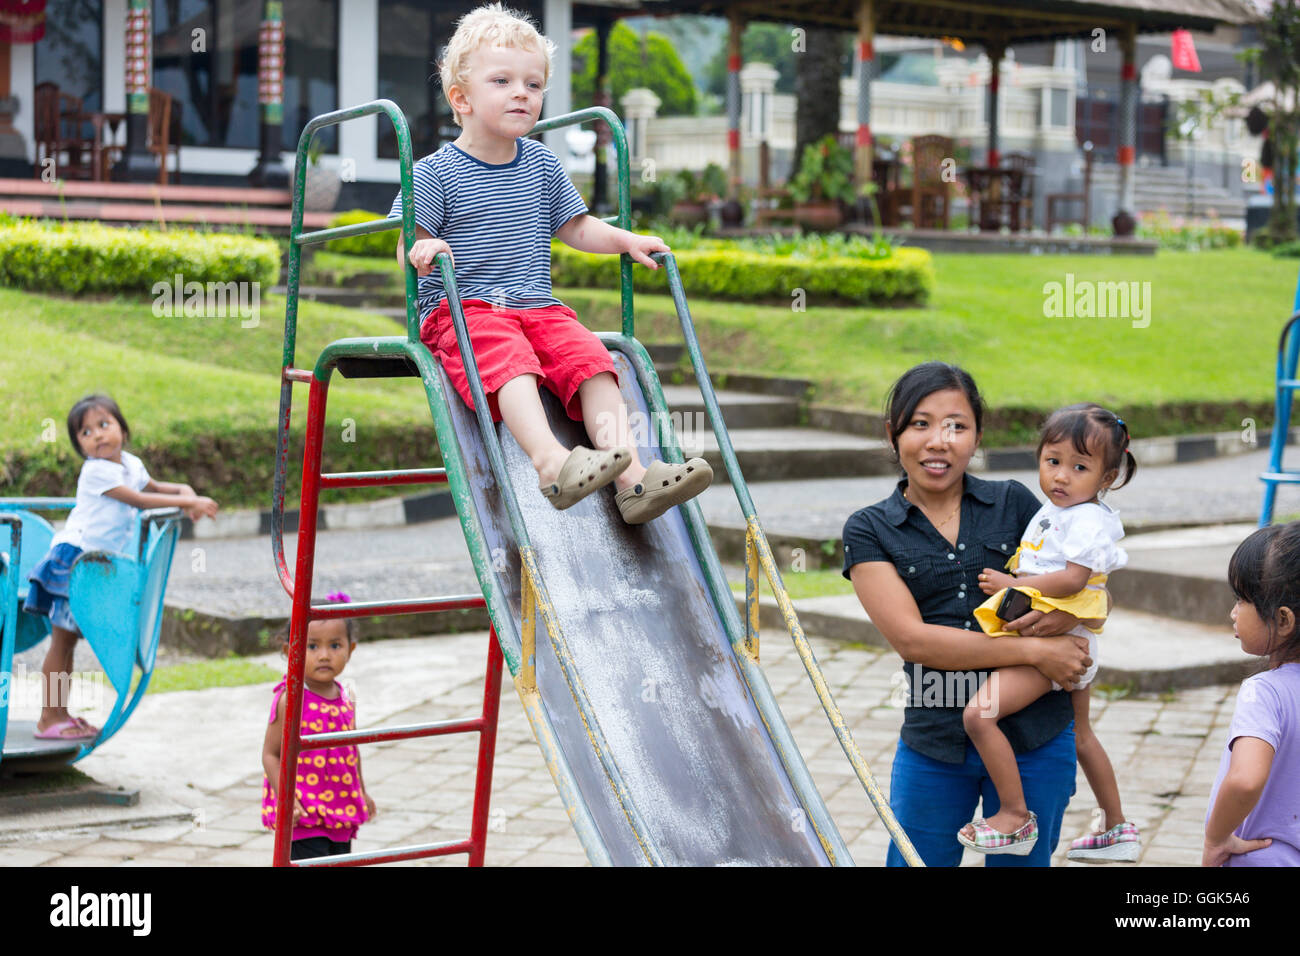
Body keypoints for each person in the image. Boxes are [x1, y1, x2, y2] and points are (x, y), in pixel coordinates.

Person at [389, 2, 711, 524]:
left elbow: (576, 226)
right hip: (463, 311)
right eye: (503, 81)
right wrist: (424, 248)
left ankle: (633, 482)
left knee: (592, 359)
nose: (522, 93)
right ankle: (551, 464)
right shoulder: (435, 172)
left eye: (534, 85)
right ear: (461, 98)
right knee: (509, 358)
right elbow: (409, 242)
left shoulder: (541, 163)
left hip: (539, 307)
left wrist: (625, 239)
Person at [843, 362, 1098, 867]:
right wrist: (1034, 649)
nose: (939, 441)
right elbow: (915, 642)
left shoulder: (1016, 503)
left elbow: (1076, 589)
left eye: (957, 426)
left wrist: (1062, 634)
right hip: (934, 746)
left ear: (977, 435)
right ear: (892, 433)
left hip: (1036, 736)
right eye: (920, 423)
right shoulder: (870, 530)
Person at [962, 404, 1138, 860]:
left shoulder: (1085, 518)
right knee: (1081, 734)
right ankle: (1116, 826)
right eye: (1052, 461)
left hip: (1060, 646)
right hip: (1071, 639)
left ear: (1106, 477)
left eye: (1080, 467)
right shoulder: (1059, 510)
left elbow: (1073, 580)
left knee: (979, 716)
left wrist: (1012, 584)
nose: (1061, 476)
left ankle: (1014, 816)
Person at [23, 394, 219, 740]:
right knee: (62, 642)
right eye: (85, 432)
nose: (97, 435)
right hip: (73, 559)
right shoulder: (96, 471)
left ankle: (59, 715)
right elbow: (140, 500)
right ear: (80, 446)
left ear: (122, 430)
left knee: (68, 643)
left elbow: (156, 487)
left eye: (103, 425)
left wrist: (185, 490)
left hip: (90, 566)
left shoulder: (130, 464)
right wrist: (190, 501)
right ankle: (49, 718)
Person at [1202, 523, 1300, 867]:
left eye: (1242, 600)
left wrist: (1216, 839)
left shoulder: (1265, 693)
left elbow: (1245, 780)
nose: (1233, 612)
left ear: (1283, 620)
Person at [262, 596, 376, 861]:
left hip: (340, 806)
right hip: (304, 810)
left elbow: (352, 748)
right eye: (312, 646)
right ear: (291, 649)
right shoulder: (291, 698)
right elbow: (270, 754)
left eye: (335, 645)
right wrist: (287, 800)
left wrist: (362, 790)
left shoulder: (347, 694)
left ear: (351, 649)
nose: (324, 655)